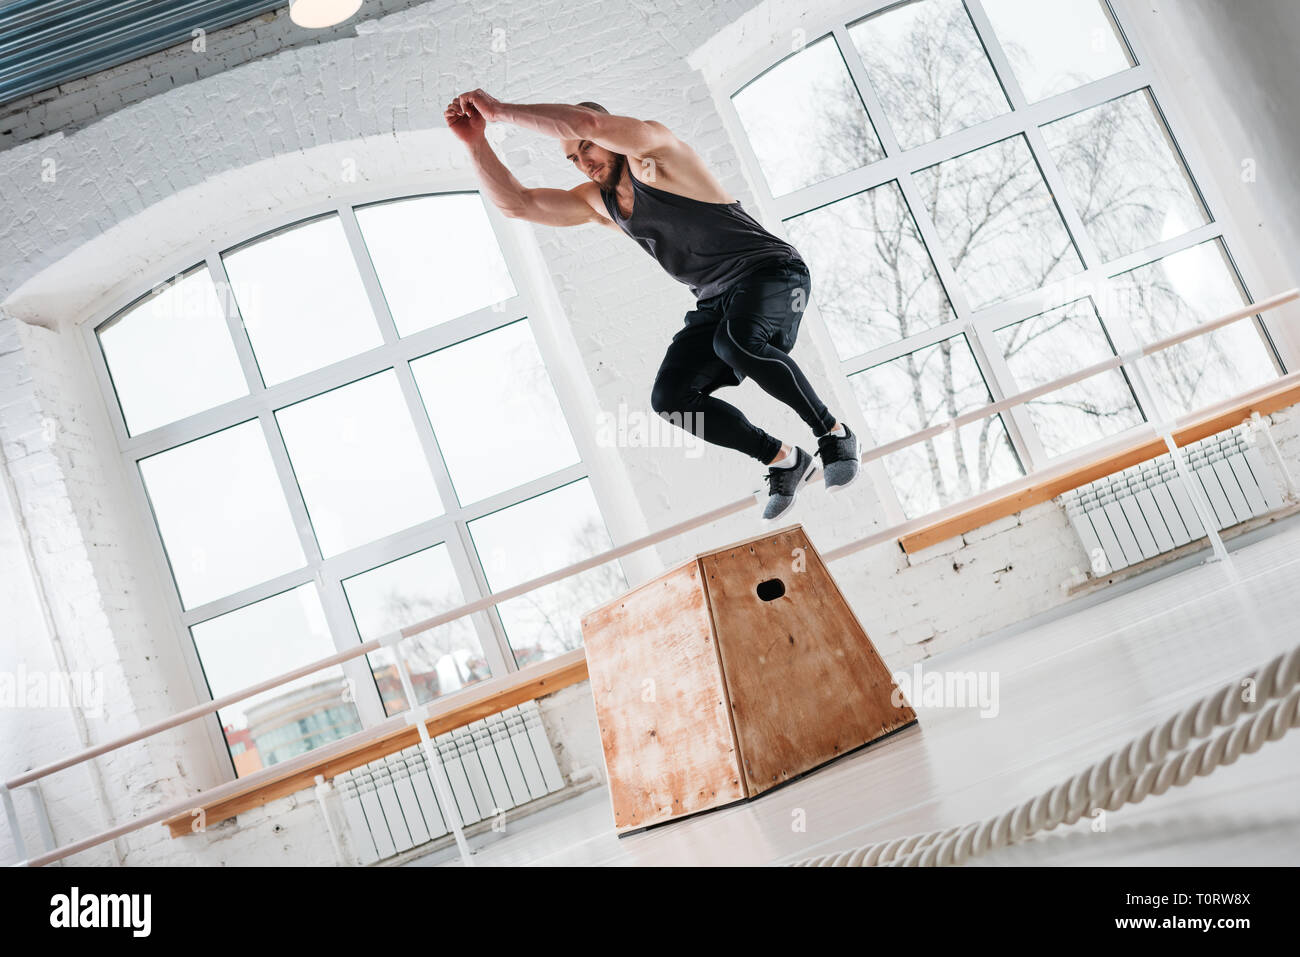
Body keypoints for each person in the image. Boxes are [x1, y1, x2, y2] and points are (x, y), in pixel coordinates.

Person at [444, 89, 860, 520]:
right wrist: (475, 141)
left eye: (586, 148)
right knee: (672, 399)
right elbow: (519, 204)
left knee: (734, 343)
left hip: (771, 272)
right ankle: (783, 461)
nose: (584, 161)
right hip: (714, 300)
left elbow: (588, 123)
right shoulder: (598, 201)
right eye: (573, 158)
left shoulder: (657, 154)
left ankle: (833, 433)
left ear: (609, 133)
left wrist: (500, 112)